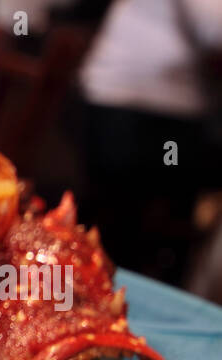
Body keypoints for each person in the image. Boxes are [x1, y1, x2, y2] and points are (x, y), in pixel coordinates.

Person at [78, 0, 222, 286]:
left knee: (142, 217)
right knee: (124, 218)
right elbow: (213, 29)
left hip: (155, 111)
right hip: (137, 108)